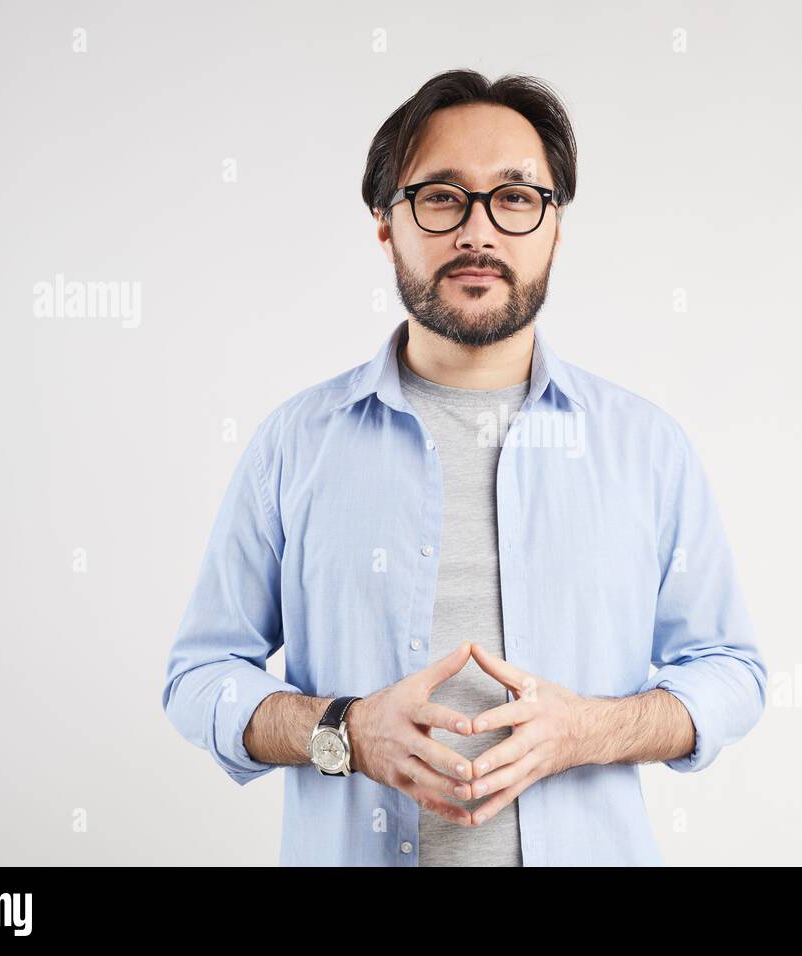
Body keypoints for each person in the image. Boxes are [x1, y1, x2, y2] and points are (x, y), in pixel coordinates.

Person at [162, 68, 767, 866]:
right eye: (441, 197)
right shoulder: (295, 445)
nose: (478, 232)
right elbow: (199, 676)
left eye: (515, 198)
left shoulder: (645, 448)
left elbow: (730, 672)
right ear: (387, 224)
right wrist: (342, 730)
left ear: (555, 227)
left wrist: (588, 730)